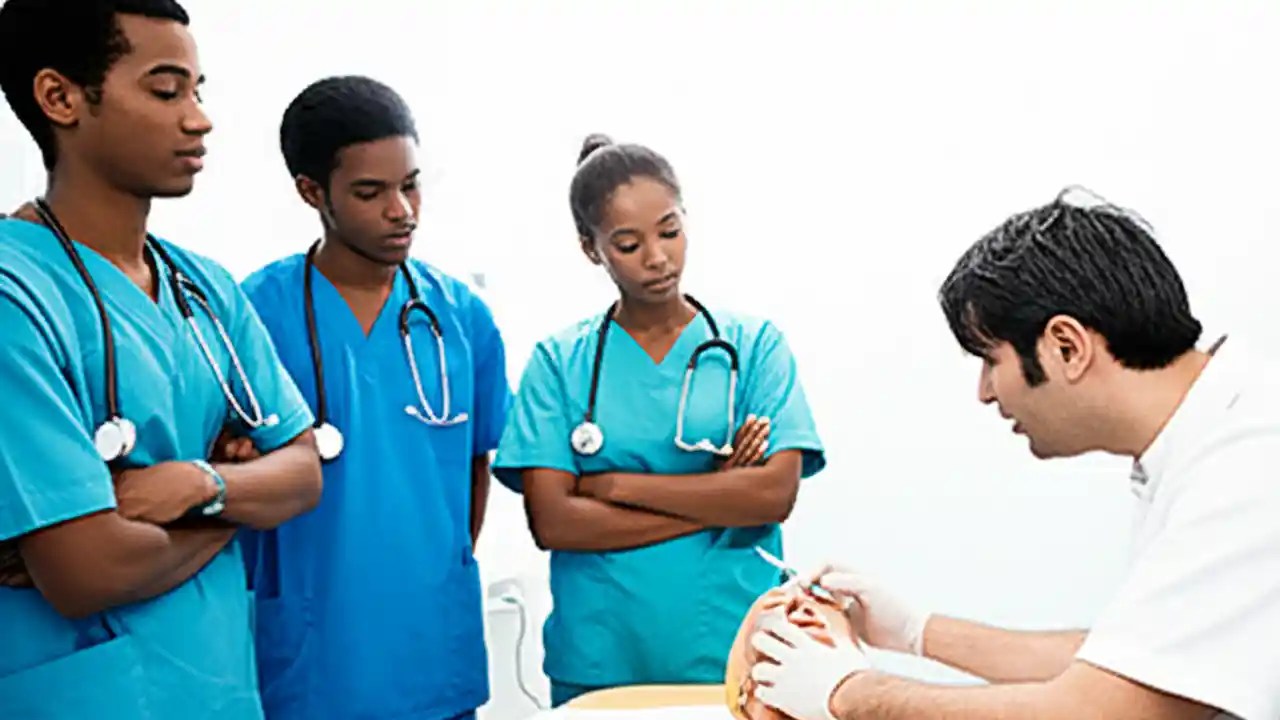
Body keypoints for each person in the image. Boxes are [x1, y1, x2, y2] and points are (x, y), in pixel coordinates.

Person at [746, 187, 1280, 720]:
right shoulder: (1207, 435)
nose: (985, 392)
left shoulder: (1249, 460)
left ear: (1066, 346)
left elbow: (1096, 711)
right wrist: (917, 631)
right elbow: (1138, 662)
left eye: (989, 360)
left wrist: (846, 695)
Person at [0, 1, 323, 718]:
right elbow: (87, 571)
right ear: (60, 98)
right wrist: (241, 497)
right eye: (166, 89)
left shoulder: (204, 287)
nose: (199, 118)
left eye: (198, 90)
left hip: (218, 688)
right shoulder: (13, 295)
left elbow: (303, 474)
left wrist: (194, 483)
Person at [491, 134, 827, 707]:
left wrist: (616, 487)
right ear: (590, 248)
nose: (657, 258)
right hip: (601, 660)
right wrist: (718, 497)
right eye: (628, 243)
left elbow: (772, 496)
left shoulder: (754, 347)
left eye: (670, 231)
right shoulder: (559, 364)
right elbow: (554, 523)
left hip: (735, 650)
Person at [236, 75, 512, 720]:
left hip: (429, 647)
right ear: (312, 192)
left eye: (410, 184)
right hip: (312, 653)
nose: (402, 210)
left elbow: (476, 462)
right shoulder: (254, 315)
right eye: (371, 192)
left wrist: (438, 564)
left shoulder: (460, 317)